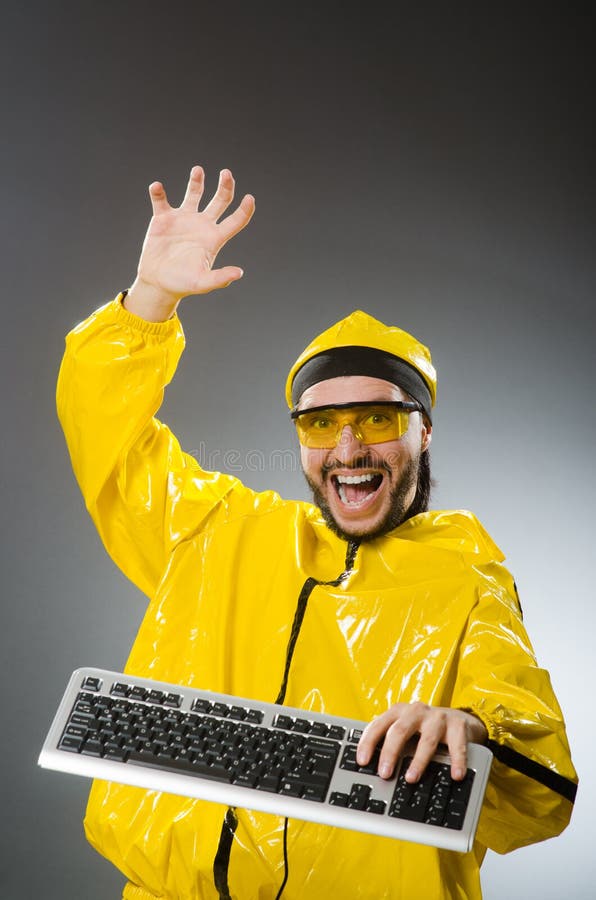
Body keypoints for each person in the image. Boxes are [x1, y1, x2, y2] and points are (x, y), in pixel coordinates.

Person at [57, 166, 577, 900]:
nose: (348, 448)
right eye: (322, 423)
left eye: (378, 418)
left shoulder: (465, 576)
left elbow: (539, 782)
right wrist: (149, 300)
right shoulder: (221, 531)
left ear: (423, 432)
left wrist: (470, 729)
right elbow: (106, 435)